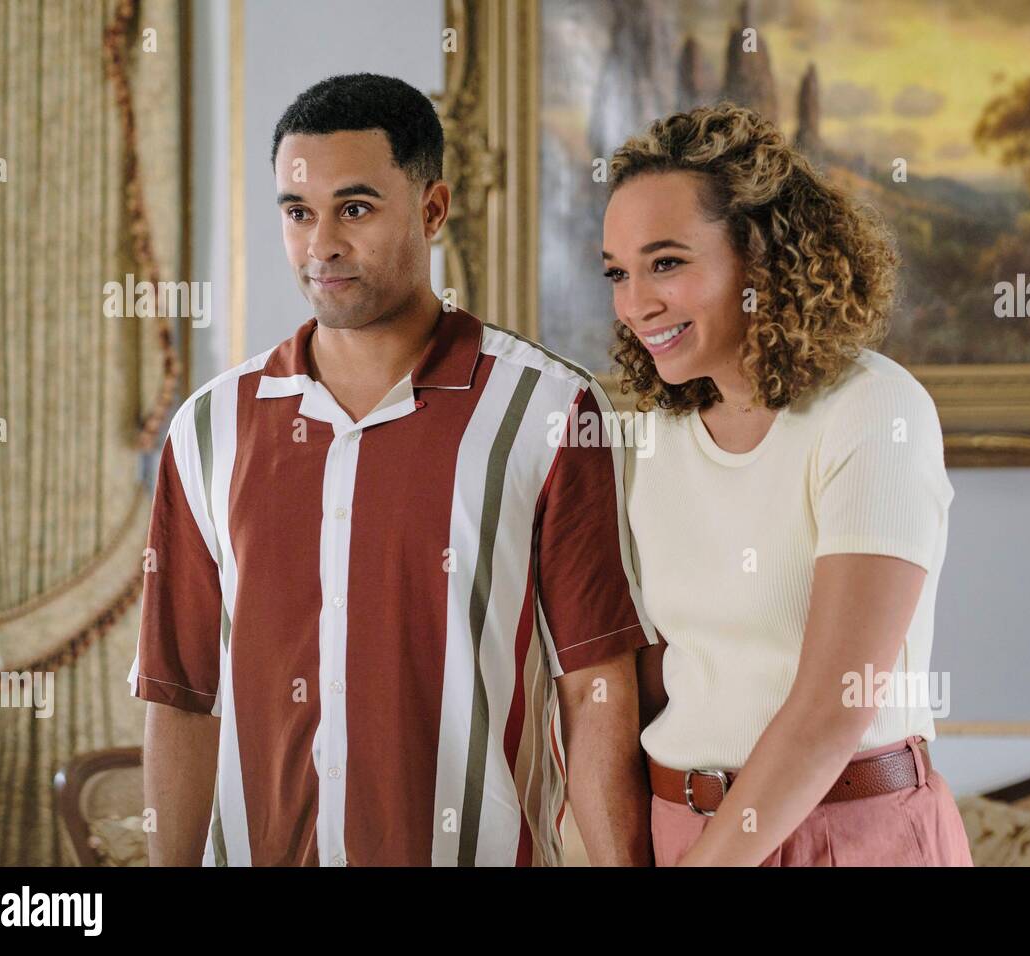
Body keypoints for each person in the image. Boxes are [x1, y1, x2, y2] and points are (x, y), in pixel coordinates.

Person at [128, 73, 657, 866]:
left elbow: (595, 689)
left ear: (433, 209)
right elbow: (180, 694)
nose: (322, 245)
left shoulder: (550, 411)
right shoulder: (209, 426)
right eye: (298, 213)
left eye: (356, 208)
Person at [602, 102, 973, 866]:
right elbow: (650, 674)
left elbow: (834, 705)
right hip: (681, 829)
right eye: (618, 272)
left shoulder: (874, 409)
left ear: (762, 256)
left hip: (851, 835)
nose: (636, 301)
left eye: (666, 262)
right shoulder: (656, 435)